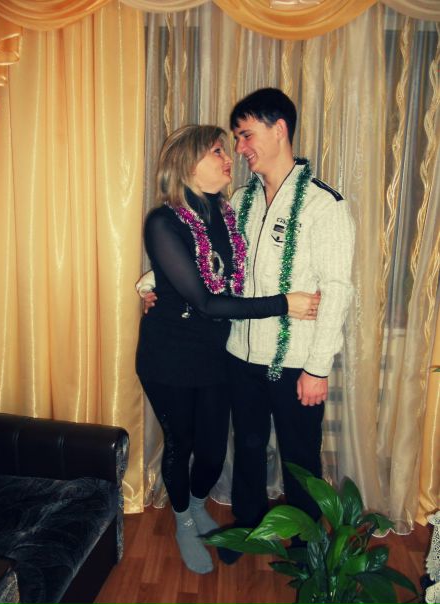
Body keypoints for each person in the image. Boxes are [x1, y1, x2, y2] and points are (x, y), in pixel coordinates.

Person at [135, 124, 320, 575]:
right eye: (217, 151)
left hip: (217, 353)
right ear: (187, 164)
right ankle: (183, 521)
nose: (228, 158)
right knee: (181, 442)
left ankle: (198, 504)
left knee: (214, 449)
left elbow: (233, 273)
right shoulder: (163, 221)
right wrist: (285, 304)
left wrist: (147, 284)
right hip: (169, 354)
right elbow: (205, 300)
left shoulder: (227, 210)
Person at [222, 88, 355, 560]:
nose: (240, 147)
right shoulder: (241, 200)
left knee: (301, 459)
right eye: (237, 138)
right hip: (240, 354)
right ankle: (247, 528)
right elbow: (211, 259)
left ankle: (305, 547)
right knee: (248, 448)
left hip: (297, 362)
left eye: (246, 135)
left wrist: (318, 368)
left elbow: (337, 290)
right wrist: (155, 284)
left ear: (279, 129)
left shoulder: (324, 204)